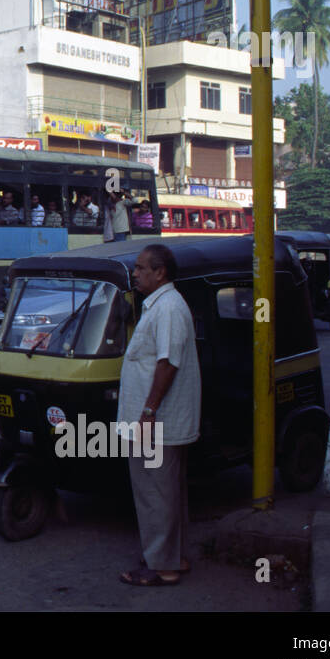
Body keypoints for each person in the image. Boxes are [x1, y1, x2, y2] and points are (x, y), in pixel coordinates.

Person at [118, 245, 201, 586]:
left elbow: (167, 364)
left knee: (155, 494)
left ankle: (161, 566)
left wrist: (148, 411)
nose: (135, 274)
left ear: (160, 272)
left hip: (157, 422)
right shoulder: (162, 305)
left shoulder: (167, 308)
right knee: (166, 493)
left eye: (140, 268)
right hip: (158, 421)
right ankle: (173, 557)